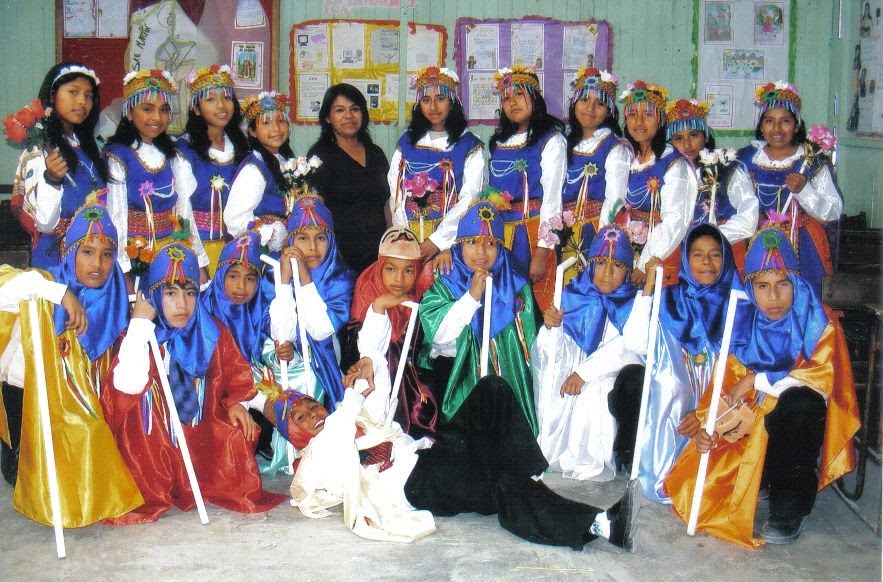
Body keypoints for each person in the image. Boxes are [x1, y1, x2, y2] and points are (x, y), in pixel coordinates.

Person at [285, 364, 639, 550]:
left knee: (491, 389)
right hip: (420, 484)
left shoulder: (354, 418)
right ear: (295, 434)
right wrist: (352, 395)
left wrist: (365, 375)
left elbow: (373, 399)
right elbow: (337, 434)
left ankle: (523, 479)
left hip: (433, 452)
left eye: (312, 405)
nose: (313, 414)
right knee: (496, 477)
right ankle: (597, 524)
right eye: (299, 417)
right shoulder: (311, 461)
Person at [665, 228, 860, 547]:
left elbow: (823, 382)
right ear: (750, 287)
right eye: (762, 286)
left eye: (783, 284)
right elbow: (721, 391)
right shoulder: (741, 321)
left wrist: (757, 380)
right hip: (748, 437)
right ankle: (766, 478)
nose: (773, 297)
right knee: (707, 491)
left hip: (795, 431)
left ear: (796, 283)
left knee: (801, 403)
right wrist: (707, 425)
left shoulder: (817, 320)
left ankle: (790, 505)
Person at [101, 243, 287, 524]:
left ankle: (206, 481)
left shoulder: (211, 330)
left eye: (189, 293)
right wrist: (140, 325)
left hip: (200, 428)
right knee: (143, 450)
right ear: (152, 295)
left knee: (236, 433)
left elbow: (234, 373)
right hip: (153, 433)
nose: (182, 304)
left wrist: (236, 402)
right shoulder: (136, 334)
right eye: (171, 293)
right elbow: (126, 386)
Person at [0, 205, 143, 525]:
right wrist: (59, 293)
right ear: (68, 251)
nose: (97, 264)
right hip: (32, 412)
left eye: (107, 254)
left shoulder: (117, 298)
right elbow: (4, 290)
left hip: (82, 410)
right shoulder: (43, 283)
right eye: (87, 251)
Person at [533, 225, 650, 480]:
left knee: (595, 394)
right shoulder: (575, 295)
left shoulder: (636, 302)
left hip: (610, 377)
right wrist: (552, 328)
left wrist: (584, 373)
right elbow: (554, 351)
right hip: (575, 371)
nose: (607, 273)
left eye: (617, 266)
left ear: (629, 270)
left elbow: (631, 347)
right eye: (600, 263)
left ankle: (608, 457)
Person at [635, 223, 741, 503]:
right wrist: (648, 287)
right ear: (685, 259)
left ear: (726, 259)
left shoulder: (741, 305)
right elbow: (636, 344)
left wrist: (707, 413)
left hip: (720, 411)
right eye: (697, 255)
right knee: (669, 383)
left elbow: (741, 374)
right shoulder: (669, 300)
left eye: (715, 254)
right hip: (674, 418)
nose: (706, 262)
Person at [418, 198, 539, 434]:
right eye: (472, 242)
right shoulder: (445, 276)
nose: (481, 252)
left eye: (491, 243)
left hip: (507, 384)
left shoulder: (514, 281)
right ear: (459, 243)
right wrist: (472, 297)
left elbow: (531, 343)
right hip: (459, 379)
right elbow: (439, 339)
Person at [736, 81, 842, 296]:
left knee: (801, 298)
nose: (776, 129)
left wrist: (805, 190)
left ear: (796, 125)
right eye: (769, 121)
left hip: (802, 247)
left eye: (785, 121)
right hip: (753, 241)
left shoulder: (811, 161)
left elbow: (833, 210)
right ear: (761, 125)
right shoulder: (746, 159)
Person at [104, 68, 207, 285]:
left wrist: (199, 261)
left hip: (170, 251)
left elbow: (184, 212)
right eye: (147, 109)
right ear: (129, 113)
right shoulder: (119, 156)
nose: (157, 118)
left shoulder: (174, 155)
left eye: (164, 110)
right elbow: (117, 217)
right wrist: (124, 272)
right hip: (134, 252)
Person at [11, 63, 108, 269]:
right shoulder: (40, 149)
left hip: (93, 258)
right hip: (58, 260)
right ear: (53, 96)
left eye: (89, 96)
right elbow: (44, 224)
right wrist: (52, 180)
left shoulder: (88, 146)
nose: (82, 101)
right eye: (73, 92)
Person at [387, 67, 485, 270]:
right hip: (410, 239)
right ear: (418, 105)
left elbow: (470, 196)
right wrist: (406, 237)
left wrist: (439, 241)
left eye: (440, 98)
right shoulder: (406, 142)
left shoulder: (469, 145)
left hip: (452, 242)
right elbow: (395, 194)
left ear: (452, 102)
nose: (433, 106)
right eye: (425, 100)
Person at [600, 80, 695, 287]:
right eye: (632, 115)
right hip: (624, 253)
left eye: (648, 115)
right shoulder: (624, 155)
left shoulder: (674, 163)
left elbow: (674, 221)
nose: (639, 122)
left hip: (659, 255)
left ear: (660, 120)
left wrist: (644, 263)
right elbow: (613, 204)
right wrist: (609, 251)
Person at [346, 227, 438, 438]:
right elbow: (362, 350)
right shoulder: (367, 294)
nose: (399, 279)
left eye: (408, 270)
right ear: (379, 269)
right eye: (390, 269)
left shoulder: (421, 299)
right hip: (372, 384)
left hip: (411, 386)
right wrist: (378, 307)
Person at [488, 66, 566, 311]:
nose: (512, 103)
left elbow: (553, 199)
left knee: (537, 303)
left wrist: (543, 252)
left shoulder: (551, 141)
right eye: (506, 98)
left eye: (519, 95)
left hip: (532, 235)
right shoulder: (499, 142)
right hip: (501, 236)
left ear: (535, 97)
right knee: (504, 304)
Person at [552, 68, 631, 274]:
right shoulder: (562, 143)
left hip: (594, 232)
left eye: (600, 103)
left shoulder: (615, 147)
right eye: (584, 100)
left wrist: (603, 245)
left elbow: (615, 200)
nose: (590, 108)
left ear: (610, 110)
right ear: (574, 103)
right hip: (562, 232)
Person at [664, 98, 757, 270]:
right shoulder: (667, 172)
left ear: (706, 136)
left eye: (693, 135)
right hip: (678, 255)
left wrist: (712, 239)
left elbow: (748, 217)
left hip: (721, 252)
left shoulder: (727, 168)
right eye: (678, 138)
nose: (687, 145)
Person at [306, 84, 391, 273]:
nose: (349, 116)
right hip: (340, 258)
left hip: (379, 255)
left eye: (355, 109)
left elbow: (387, 204)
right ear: (328, 117)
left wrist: (391, 243)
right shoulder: (320, 156)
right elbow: (316, 211)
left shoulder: (375, 153)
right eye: (339, 110)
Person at [176, 64, 249, 276]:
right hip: (199, 249)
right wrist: (198, 261)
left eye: (226, 98)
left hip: (237, 248)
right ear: (196, 109)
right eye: (210, 100)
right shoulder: (185, 150)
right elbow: (183, 209)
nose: (221, 106)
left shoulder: (242, 148)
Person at [224, 90, 295, 253]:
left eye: (280, 121)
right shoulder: (253, 169)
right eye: (266, 123)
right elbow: (234, 218)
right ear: (252, 132)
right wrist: (271, 234)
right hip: (263, 252)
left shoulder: (286, 161)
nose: (276, 128)